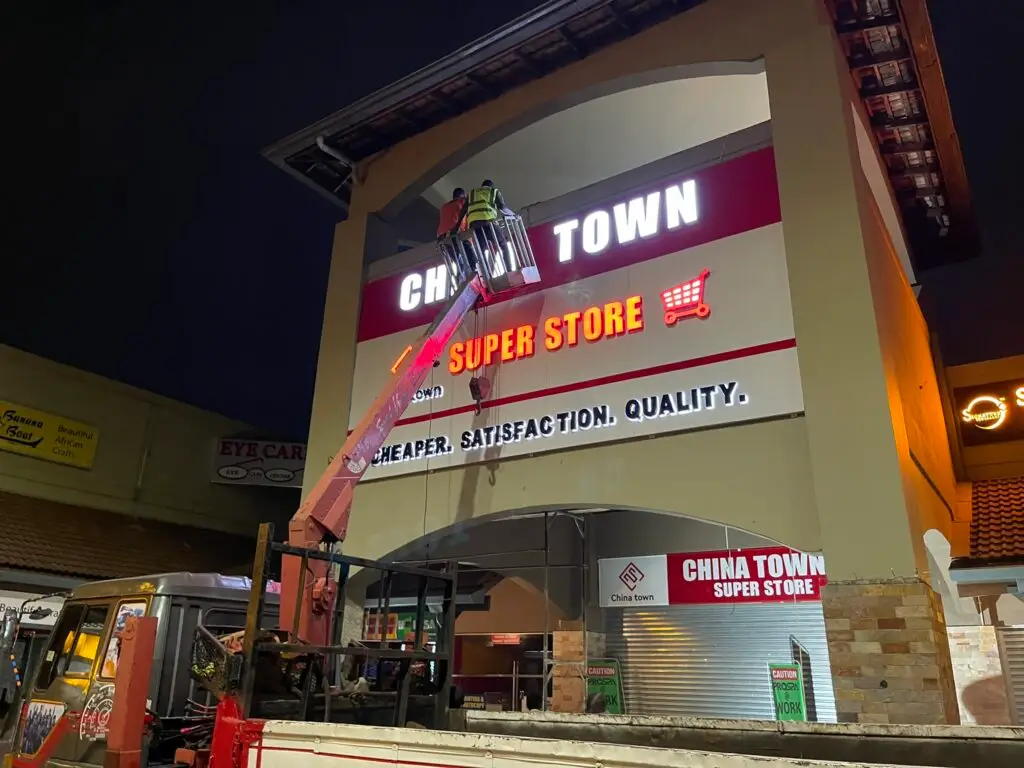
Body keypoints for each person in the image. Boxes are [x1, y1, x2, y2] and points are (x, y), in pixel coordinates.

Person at [460, 180, 514, 273]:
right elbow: (502, 207)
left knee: (481, 251)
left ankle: (487, 274)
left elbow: (463, 211)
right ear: (491, 186)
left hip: (474, 225)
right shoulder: (493, 191)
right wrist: (514, 215)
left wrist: (455, 228)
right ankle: (509, 270)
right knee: (503, 245)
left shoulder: (472, 193)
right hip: (488, 221)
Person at [436, 187, 470, 281]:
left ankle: (460, 280)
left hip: (442, 238)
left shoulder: (444, 207)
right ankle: (465, 279)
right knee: (469, 259)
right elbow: (467, 218)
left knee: (459, 263)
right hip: (454, 235)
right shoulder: (462, 202)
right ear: (462, 196)